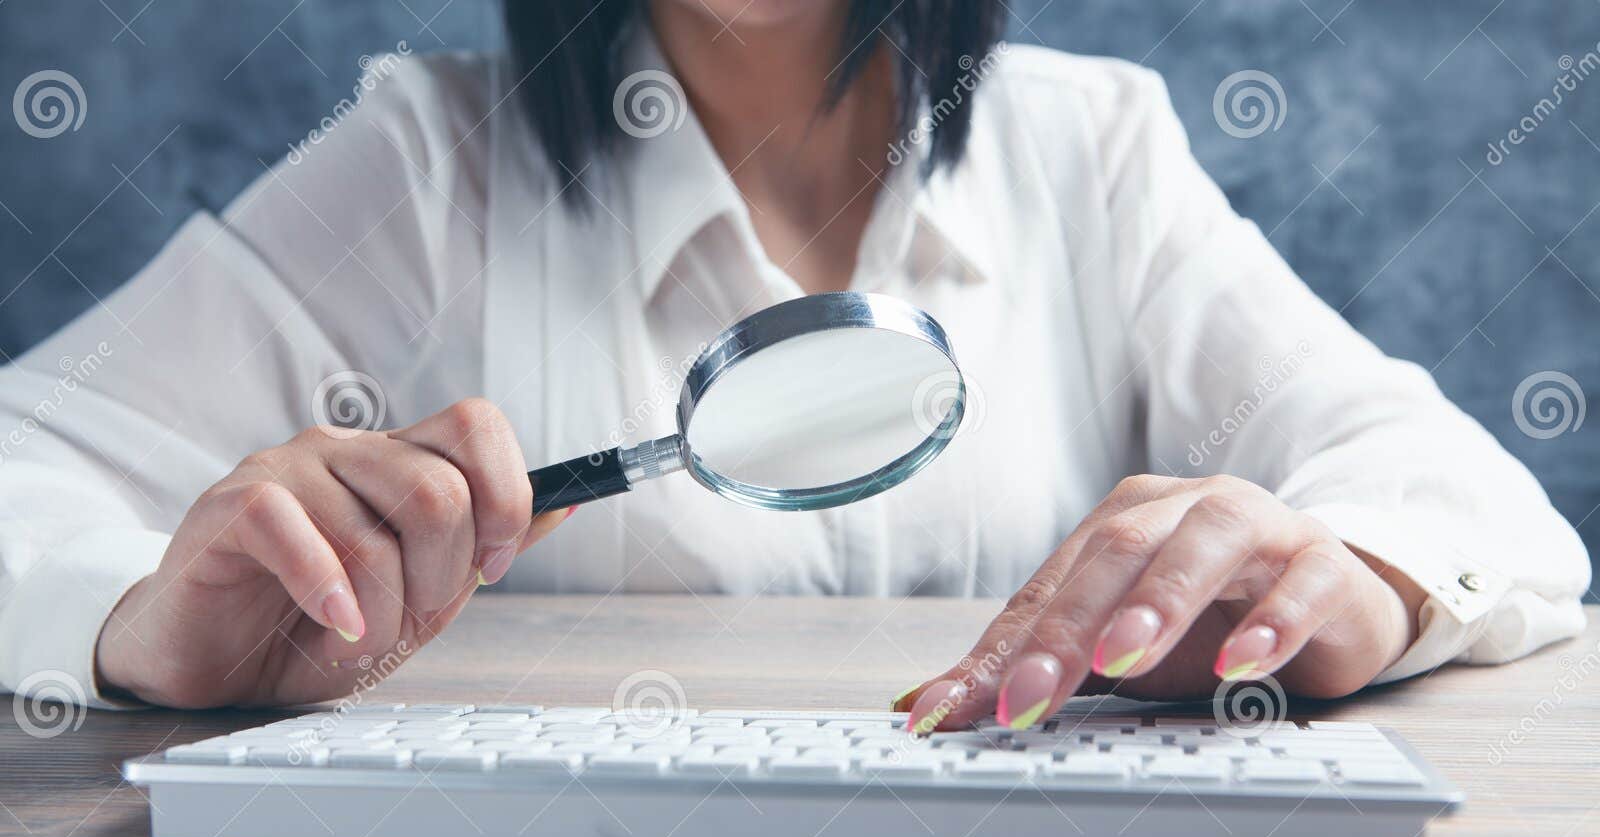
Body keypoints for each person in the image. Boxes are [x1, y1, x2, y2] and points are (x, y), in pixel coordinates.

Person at [0, 0, 1587, 733]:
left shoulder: (1090, 152)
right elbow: (25, 469)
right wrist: (143, 637)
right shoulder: (423, 166)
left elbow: (1465, 500)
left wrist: (1353, 583)